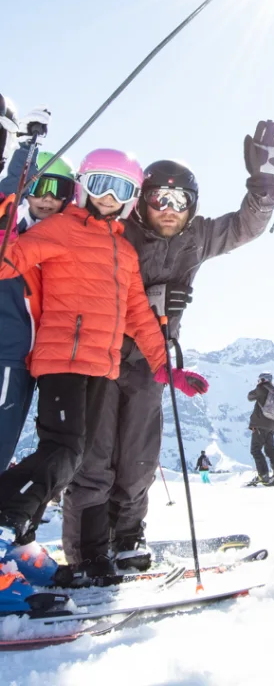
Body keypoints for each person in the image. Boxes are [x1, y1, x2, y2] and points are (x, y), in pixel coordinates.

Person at [62, 120, 274, 570]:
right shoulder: (118, 231)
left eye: (180, 201)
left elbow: (246, 226)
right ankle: (86, 551)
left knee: (138, 458)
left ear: (192, 207)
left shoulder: (196, 237)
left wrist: (264, 184)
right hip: (101, 356)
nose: (169, 209)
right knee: (96, 458)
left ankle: (126, 538)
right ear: (141, 202)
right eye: (159, 199)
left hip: (152, 363)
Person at [0, 147, 209, 610]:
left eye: (120, 189)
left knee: (73, 460)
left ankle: (19, 533)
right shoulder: (60, 229)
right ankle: (6, 522)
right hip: (62, 360)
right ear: (83, 185)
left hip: (102, 365)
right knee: (65, 451)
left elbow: (138, 314)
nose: (108, 198)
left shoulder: (124, 250)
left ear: (133, 197)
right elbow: (7, 259)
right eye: (99, 184)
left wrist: (163, 367)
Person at [0, 103, 76, 471]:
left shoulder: (67, 240)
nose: (46, 198)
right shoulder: (14, 231)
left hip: (38, 361)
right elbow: (5, 205)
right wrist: (25, 150)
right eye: (38, 186)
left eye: (56, 188)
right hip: (8, 353)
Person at [247, 372, 274, 485]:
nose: (258, 382)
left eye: (259, 380)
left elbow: (250, 396)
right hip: (271, 426)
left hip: (260, 426)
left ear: (263, 380)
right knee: (270, 450)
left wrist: (258, 387)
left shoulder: (261, 389)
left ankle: (263, 475)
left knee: (255, 450)